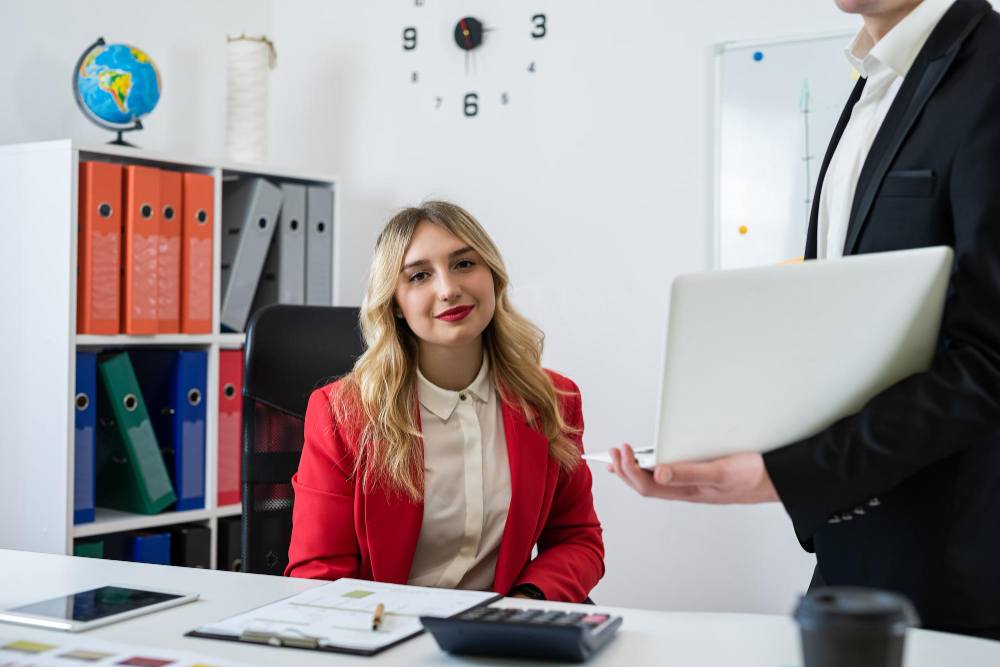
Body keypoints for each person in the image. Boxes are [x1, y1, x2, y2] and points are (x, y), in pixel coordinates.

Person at [609, 0, 1000, 639]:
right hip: (852, 558)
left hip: (959, 573)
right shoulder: (876, 81)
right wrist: (748, 440)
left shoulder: (990, 74)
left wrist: (793, 474)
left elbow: (990, 360)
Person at [286, 201, 604, 602]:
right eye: (419, 276)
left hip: (501, 638)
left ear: (493, 277)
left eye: (464, 264)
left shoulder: (551, 400)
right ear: (395, 305)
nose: (448, 289)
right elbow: (319, 572)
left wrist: (524, 605)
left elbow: (577, 539)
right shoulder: (344, 414)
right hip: (385, 637)